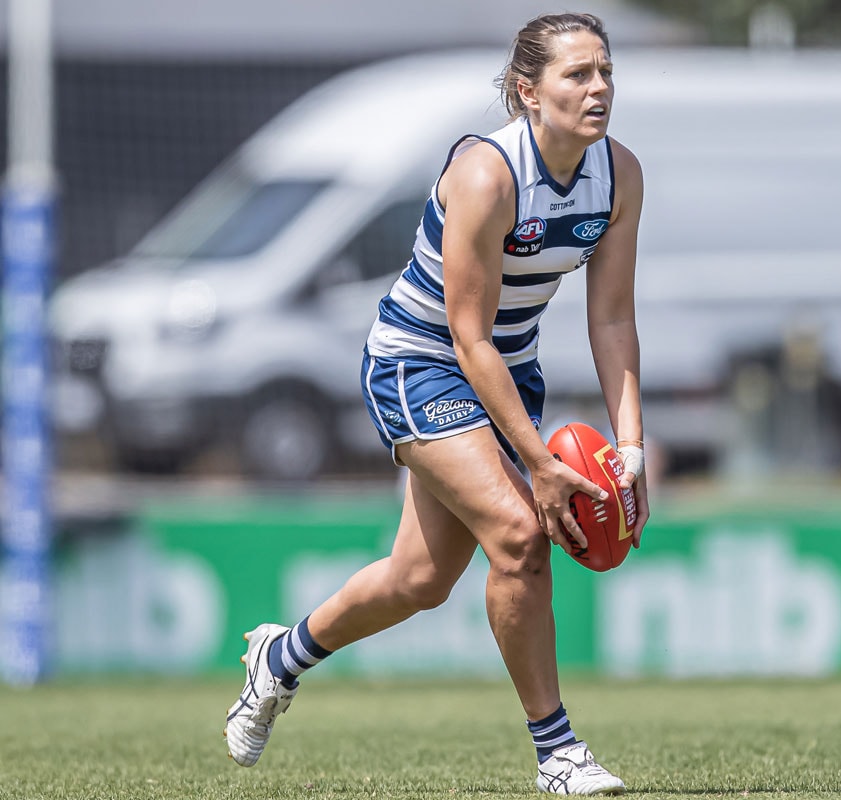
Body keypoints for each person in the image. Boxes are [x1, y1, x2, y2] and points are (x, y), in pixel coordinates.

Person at [223, 12, 648, 796]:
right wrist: (538, 464)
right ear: (527, 90)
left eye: (606, 72)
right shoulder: (488, 174)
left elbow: (612, 318)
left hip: (506, 371)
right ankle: (558, 752)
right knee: (520, 535)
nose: (598, 89)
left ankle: (278, 658)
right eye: (577, 75)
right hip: (422, 362)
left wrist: (633, 450)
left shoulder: (618, 173)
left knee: (418, 581)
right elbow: (467, 338)